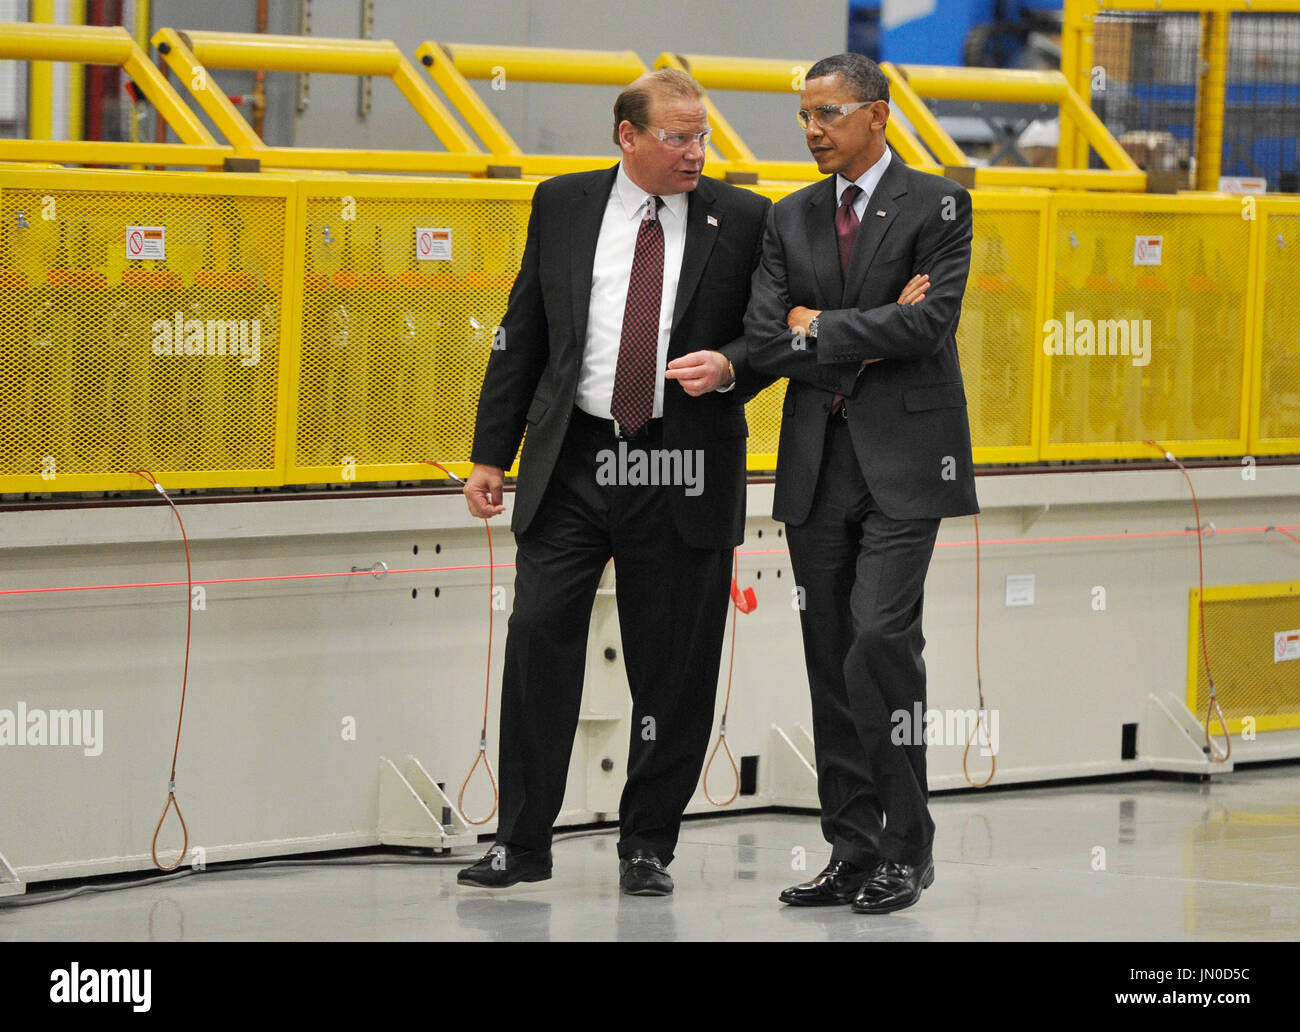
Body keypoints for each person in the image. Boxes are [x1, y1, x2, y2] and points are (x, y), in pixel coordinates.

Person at [457, 69, 772, 896]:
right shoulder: (561, 204)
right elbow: (522, 330)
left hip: (679, 462)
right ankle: (521, 842)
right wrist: (491, 453)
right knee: (537, 643)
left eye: (702, 134)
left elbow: (773, 332)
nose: (695, 151)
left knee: (672, 666)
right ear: (627, 136)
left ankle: (647, 846)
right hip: (574, 460)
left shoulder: (741, 218)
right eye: (677, 136)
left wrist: (734, 365)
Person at [745, 53, 978, 913]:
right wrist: (853, 329)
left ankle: (907, 849)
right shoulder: (789, 216)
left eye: (828, 115)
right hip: (817, 465)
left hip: (907, 464)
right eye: (804, 115)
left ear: (878, 115)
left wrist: (822, 324)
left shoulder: (940, 204)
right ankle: (852, 846)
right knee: (828, 659)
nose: (813, 131)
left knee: (879, 640)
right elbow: (768, 337)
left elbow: (928, 324)